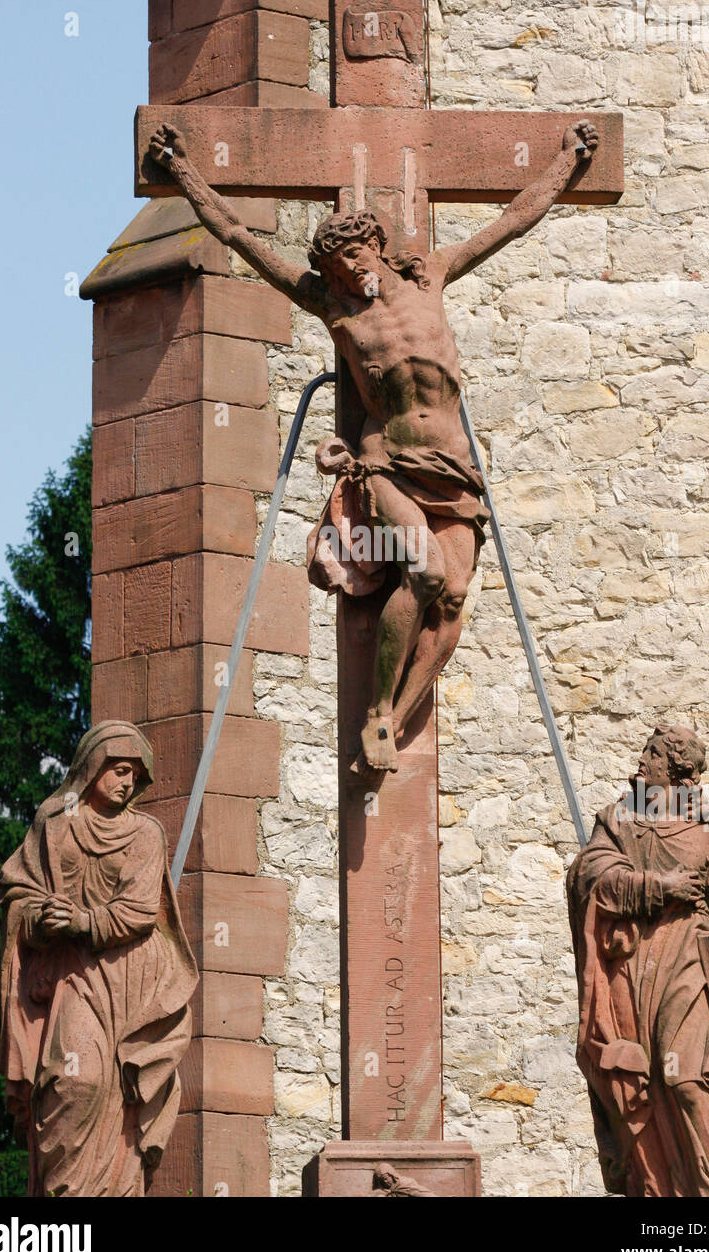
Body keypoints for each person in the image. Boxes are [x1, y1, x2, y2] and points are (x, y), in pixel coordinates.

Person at [149, 118, 598, 773]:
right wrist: (184, 171)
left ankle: (396, 716)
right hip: (385, 460)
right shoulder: (334, 309)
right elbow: (238, 236)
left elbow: (512, 221)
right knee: (426, 572)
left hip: (452, 464)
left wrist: (565, 164)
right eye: (336, 266)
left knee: (452, 599)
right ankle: (376, 710)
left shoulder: (430, 277)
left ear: (378, 247)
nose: (349, 270)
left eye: (355, 257)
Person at [0, 722, 198, 1197]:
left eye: (136, 776)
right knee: (73, 1080)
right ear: (93, 765)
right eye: (120, 770)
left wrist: (81, 921)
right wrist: (39, 919)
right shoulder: (55, 822)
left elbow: (141, 910)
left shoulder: (145, 833)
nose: (128, 783)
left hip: (130, 979)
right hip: (71, 974)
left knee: (120, 1096)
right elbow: (18, 891)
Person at [567, 725, 709, 1197]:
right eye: (644, 751)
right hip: (630, 971)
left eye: (653, 754)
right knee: (643, 1085)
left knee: (688, 1079)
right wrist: (657, 887)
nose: (642, 760)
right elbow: (589, 877)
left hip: (688, 963)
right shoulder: (619, 820)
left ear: (678, 770)